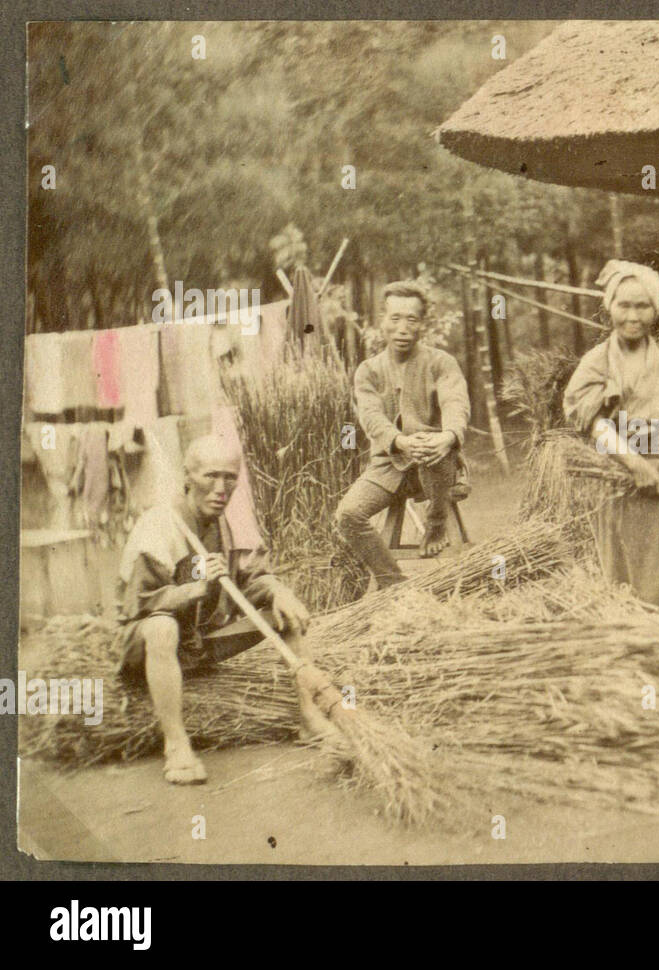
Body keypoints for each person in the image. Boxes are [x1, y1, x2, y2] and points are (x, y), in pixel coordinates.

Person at [117, 435, 328, 785]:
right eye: (210, 476)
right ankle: (177, 744)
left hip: (200, 643)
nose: (221, 488)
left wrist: (277, 590)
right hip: (147, 644)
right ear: (188, 477)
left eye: (230, 477)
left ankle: (309, 717)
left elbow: (253, 581)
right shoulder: (159, 525)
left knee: (286, 613)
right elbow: (137, 605)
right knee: (162, 628)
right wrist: (193, 591)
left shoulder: (232, 525)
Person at [563, 259, 659, 620]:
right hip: (618, 485)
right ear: (609, 306)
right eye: (624, 305)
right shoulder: (596, 363)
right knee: (624, 578)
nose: (633, 315)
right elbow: (591, 421)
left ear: (656, 310)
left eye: (642, 306)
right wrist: (634, 464)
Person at [335, 281, 471, 587]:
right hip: (388, 467)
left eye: (412, 319)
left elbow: (455, 403)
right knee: (348, 514)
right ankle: (393, 582)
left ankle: (435, 521)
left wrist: (448, 436)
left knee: (431, 445)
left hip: (437, 463)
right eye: (395, 318)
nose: (402, 328)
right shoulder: (368, 370)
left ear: (422, 324)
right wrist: (400, 442)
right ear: (382, 321)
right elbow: (371, 417)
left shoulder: (441, 363)